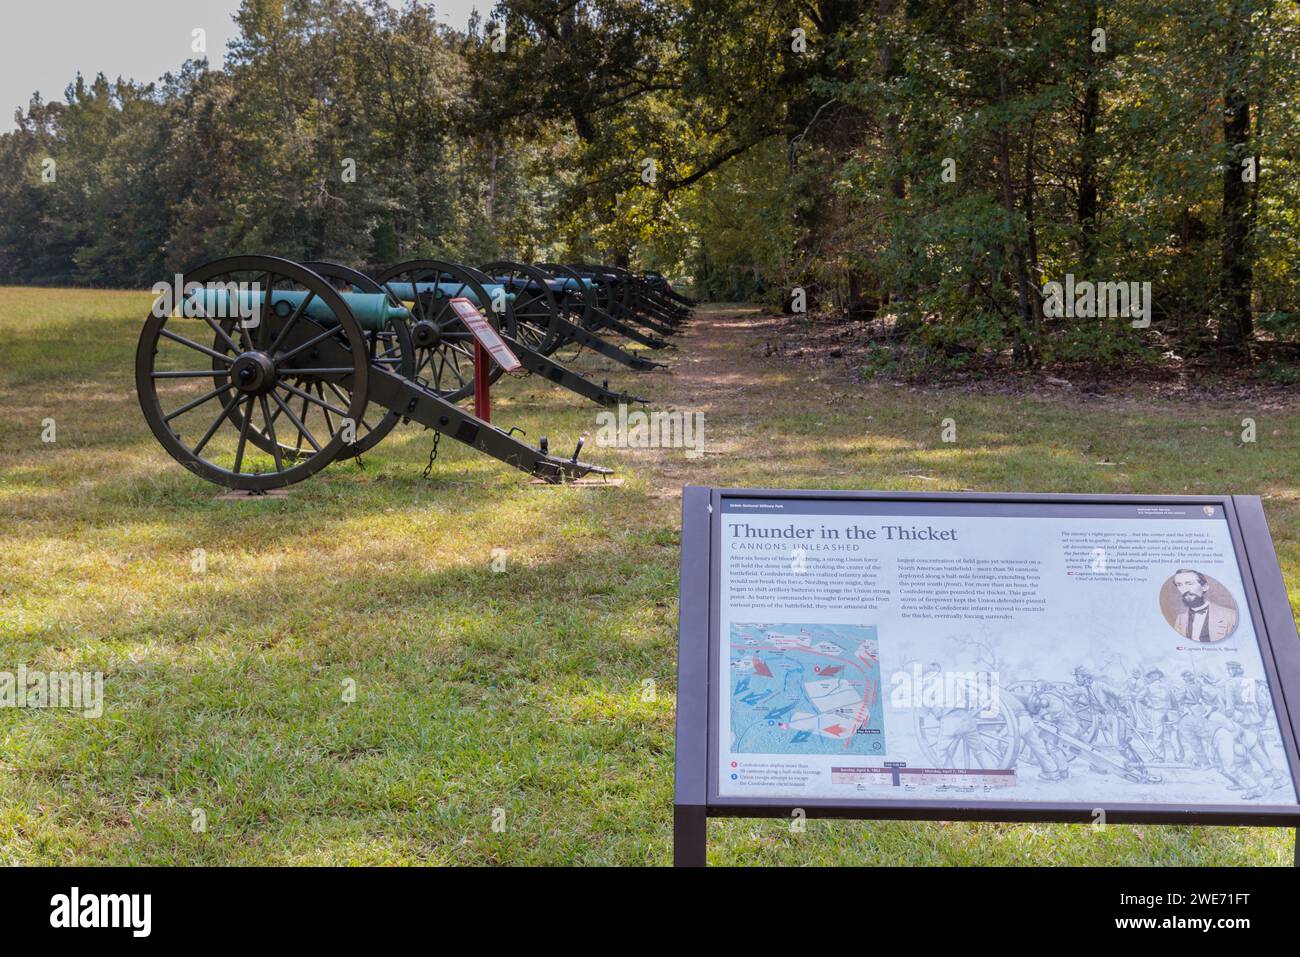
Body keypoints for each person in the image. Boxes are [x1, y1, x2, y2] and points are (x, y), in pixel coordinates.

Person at [1223, 661, 1286, 791]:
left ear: (1232, 670)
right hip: (1254, 717)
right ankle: (1255, 778)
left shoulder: (1230, 683)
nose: (1228, 671)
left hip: (1240, 719)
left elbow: (1229, 707)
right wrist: (1261, 717)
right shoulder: (1251, 681)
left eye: (1229, 669)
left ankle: (1277, 777)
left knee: (1249, 748)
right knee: (1257, 746)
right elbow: (1262, 702)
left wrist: (1226, 716)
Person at [1171, 569, 1237, 642]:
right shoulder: (1180, 618)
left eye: (1189, 584)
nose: (1185, 590)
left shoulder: (1230, 616)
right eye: (1179, 585)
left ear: (1204, 587)